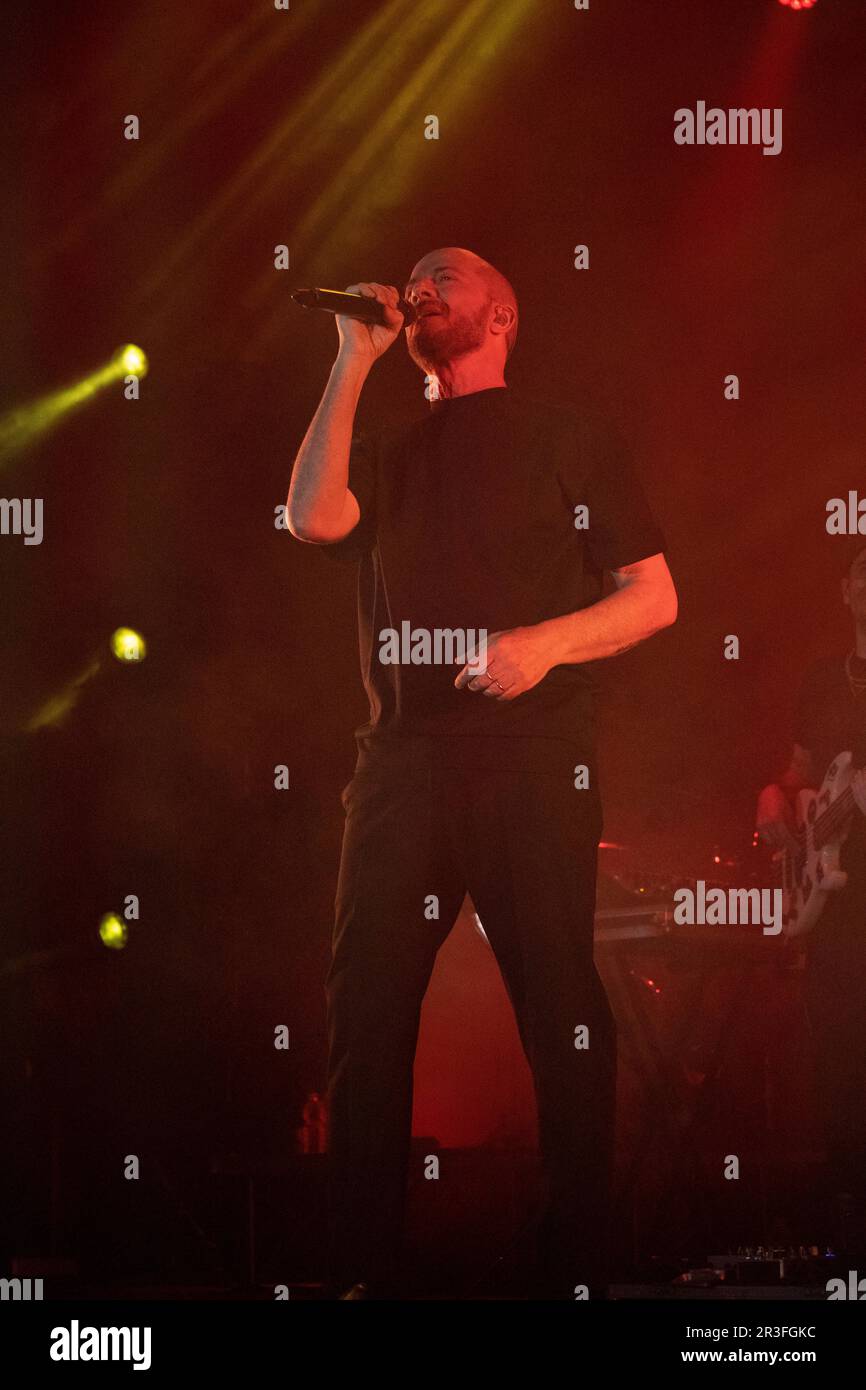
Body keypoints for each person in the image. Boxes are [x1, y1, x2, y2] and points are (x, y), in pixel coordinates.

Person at [287, 246, 677, 1299]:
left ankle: (575, 1265)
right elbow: (310, 519)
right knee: (365, 1013)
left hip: (531, 761)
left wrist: (542, 643)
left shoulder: (566, 437)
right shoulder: (388, 445)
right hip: (401, 766)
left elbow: (652, 596)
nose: (420, 286)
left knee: (559, 1002)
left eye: (444, 274)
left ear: (501, 313)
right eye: (412, 276)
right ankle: (365, 1271)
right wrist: (351, 356)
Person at [756, 539, 866, 1262]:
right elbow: (798, 775)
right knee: (837, 1058)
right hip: (835, 911)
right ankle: (849, 1215)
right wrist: (774, 798)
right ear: (848, 591)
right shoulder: (825, 680)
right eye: (864, 571)